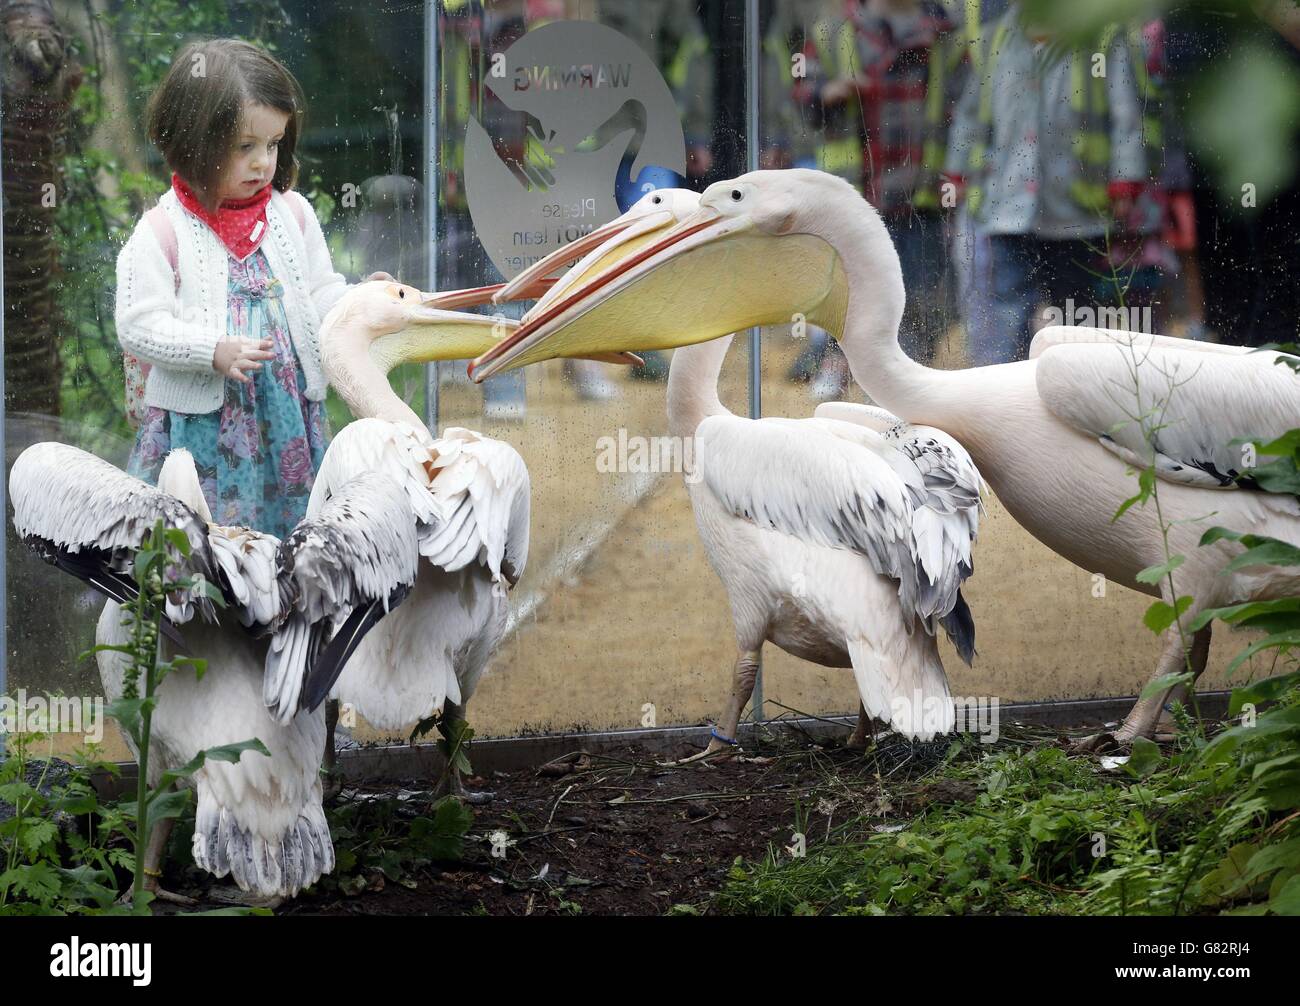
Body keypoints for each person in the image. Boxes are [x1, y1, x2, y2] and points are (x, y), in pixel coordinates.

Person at [116, 38, 388, 537]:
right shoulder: (162, 232)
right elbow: (138, 325)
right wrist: (210, 349)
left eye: (273, 143)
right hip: (199, 432)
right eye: (245, 147)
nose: (263, 162)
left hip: (286, 427)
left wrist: (359, 301)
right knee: (201, 548)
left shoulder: (293, 215)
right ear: (193, 139)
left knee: (290, 548)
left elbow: (320, 294)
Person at [944, 6, 1150, 364]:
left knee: (1077, 313)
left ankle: (1079, 387)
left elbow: (1126, 116)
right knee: (1005, 310)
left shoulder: (1100, 38)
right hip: (1005, 207)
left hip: (1075, 208)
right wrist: (957, 172)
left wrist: (1125, 182)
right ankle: (1003, 394)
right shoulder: (995, 39)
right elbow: (970, 113)